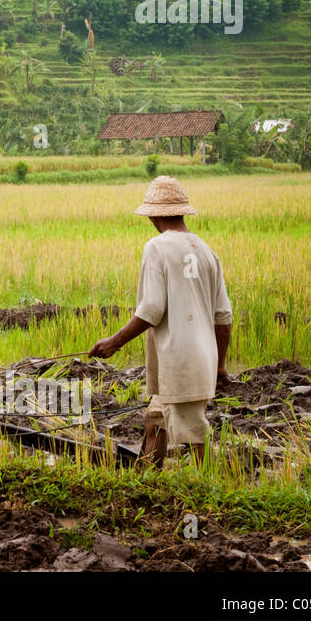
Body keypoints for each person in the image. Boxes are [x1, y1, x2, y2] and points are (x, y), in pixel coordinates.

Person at [89, 176, 232, 468]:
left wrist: (114, 343)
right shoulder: (206, 251)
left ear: (154, 214)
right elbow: (224, 317)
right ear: (180, 211)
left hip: (180, 360)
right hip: (198, 360)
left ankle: (218, 495)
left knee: (194, 434)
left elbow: (152, 308)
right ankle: (148, 483)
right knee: (155, 422)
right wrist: (218, 364)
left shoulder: (156, 247)